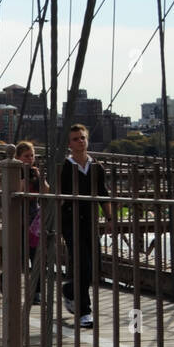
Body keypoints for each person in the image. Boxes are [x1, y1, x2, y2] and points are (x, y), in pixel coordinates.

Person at [57, 124, 112, 328]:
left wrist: (109, 218)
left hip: (90, 220)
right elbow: (57, 195)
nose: (80, 142)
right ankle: (84, 311)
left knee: (94, 265)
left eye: (82, 138)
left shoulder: (97, 167)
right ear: (69, 144)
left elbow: (102, 194)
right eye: (75, 139)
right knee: (82, 264)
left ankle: (70, 290)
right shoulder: (63, 166)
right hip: (70, 221)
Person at [15, 140, 50, 303]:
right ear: (18, 157)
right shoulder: (13, 171)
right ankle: (4, 281)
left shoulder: (35, 172)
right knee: (18, 256)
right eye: (26, 156)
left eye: (32, 156)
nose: (29, 159)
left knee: (37, 257)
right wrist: (24, 176)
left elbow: (46, 191)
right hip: (18, 219)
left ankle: (37, 292)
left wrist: (39, 178)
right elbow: (17, 191)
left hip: (34, 221)